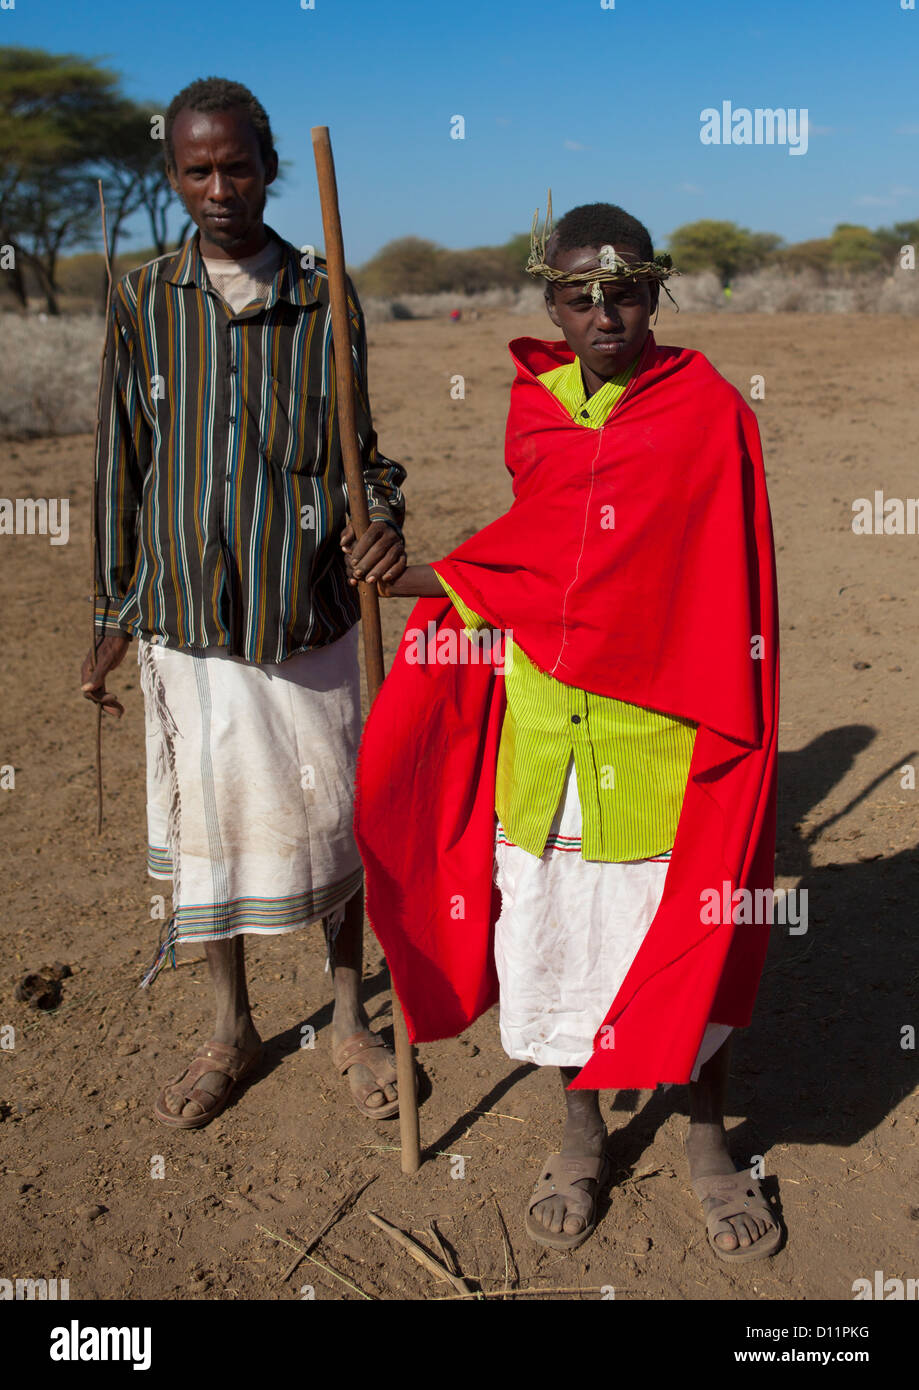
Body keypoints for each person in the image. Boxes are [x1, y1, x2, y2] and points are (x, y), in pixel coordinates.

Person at [350, 202, 781, 1261]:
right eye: (580, 293)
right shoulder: (532, 408)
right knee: (547, 931)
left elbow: (643, 571)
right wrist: (407, 570)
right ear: (549, 298)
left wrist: (419, 576)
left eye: (625, 290)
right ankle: (579, 1133)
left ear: (657, 292)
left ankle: (705, 1135)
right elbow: (542, 552)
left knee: (673, 930)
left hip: (662, 722)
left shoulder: (706, 409)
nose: (604, 312)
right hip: (546, 721)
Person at [81, 77, 408, 1130]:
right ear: (171, 174)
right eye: (195, 169)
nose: (218, 188)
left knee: (337, 822)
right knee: (209, 826)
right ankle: (230, 1026)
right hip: (183, 615)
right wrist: (108, 608)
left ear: (268, 167)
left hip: (305, 609)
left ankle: (351, 1020)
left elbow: (363, 455)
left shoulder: (325, 293)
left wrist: (381, 521)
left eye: (236, 166)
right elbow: (118, 458)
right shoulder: (141, 298)